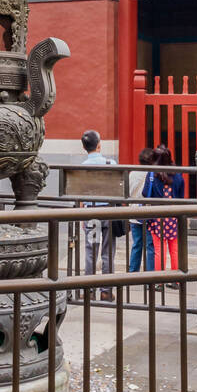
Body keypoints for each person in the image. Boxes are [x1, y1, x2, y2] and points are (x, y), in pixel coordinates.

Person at [81, 129, 116, 301]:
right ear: (99, 145)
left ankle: (88, 289)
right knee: (108, 251)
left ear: (84, 147)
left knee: (90, 251)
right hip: (108, 212)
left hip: (92, 213)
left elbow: (79, 194)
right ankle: (106, 291)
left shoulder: (82, 167)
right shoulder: (111, 164)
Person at [144, 146, 186, 277]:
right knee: (174, 249)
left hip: (157, 215)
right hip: (173, 216)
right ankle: (176, 278)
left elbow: (145, 193)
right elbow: (181, 196)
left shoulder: (152, 174)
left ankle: (159, 279)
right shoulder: (178, 175)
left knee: (159, 249)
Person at [128, 148, 155, 273]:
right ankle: (150, 273)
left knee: (136, 244)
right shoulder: (152, 174)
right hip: (149, 213)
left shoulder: (132, 173)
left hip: (134, 213)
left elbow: (127, 193)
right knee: (150, 246)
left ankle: (133, 272)